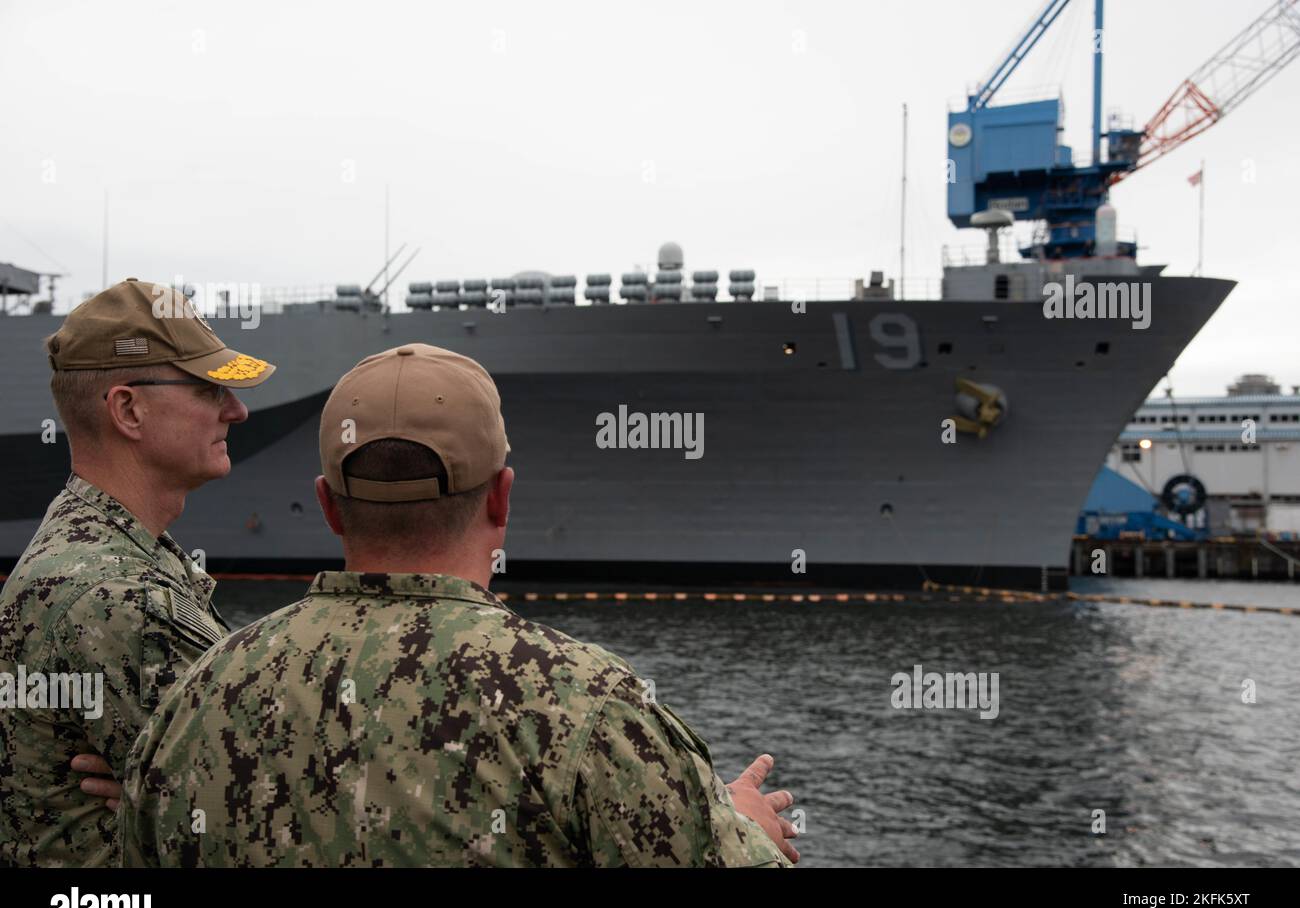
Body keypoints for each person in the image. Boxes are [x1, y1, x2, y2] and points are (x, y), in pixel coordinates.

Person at [121, 343, 798, 867]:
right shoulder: (595, 711)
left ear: (327, 504)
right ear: (502, 497)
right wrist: (745, 831)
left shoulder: (192, 702)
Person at [0, 279, 274, 866]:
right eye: (208, 389)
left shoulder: (96, 549)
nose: (237, 409)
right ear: (128, 409)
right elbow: (271, 816)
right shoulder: (120, 599)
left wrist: (164, 787)